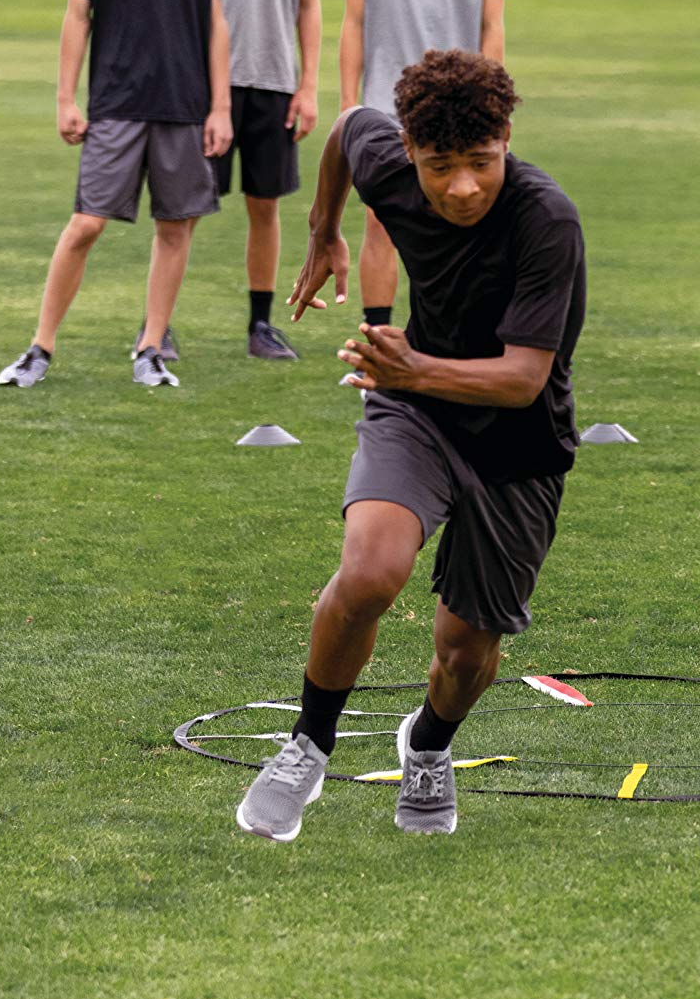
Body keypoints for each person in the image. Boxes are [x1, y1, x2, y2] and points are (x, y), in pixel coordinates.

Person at [235, 51, 583, 841]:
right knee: (370, 571)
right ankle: (307, 747)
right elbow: (345, 130)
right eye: (439, 167)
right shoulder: (383, 156)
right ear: (410, 151)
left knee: (465, 653)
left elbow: (524, 379)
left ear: (506, 141)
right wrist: (324, 231)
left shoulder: (545, 220)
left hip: (517, 444)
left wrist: (411, 364)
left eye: (481, 163)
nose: (462, 186)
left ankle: (426, 745)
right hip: (417, 412)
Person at [0, 0, 234, 390]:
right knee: (85, 226)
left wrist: (221, 106)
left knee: (176, 226)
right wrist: (65, 99)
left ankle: (151, 348)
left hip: (183, 104)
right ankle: (38, 349)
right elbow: (77, 18)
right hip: (115, 103)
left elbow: (216, 23)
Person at [334, 0, 511, 340]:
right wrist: (349, 109)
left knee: (463, 218)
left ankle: (454, 337)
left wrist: (491, 107)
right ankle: (378, 340)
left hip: (459, 107)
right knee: (380, 220)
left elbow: (492, 27)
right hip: (387, 104)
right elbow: (353, 23)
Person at [184, 0, 327, 360]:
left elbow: (309, 4)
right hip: (207, 87)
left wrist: (309, 86)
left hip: (275, 83)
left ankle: (261, 326)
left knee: (264, 206)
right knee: (184, 208)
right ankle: (157, 326)